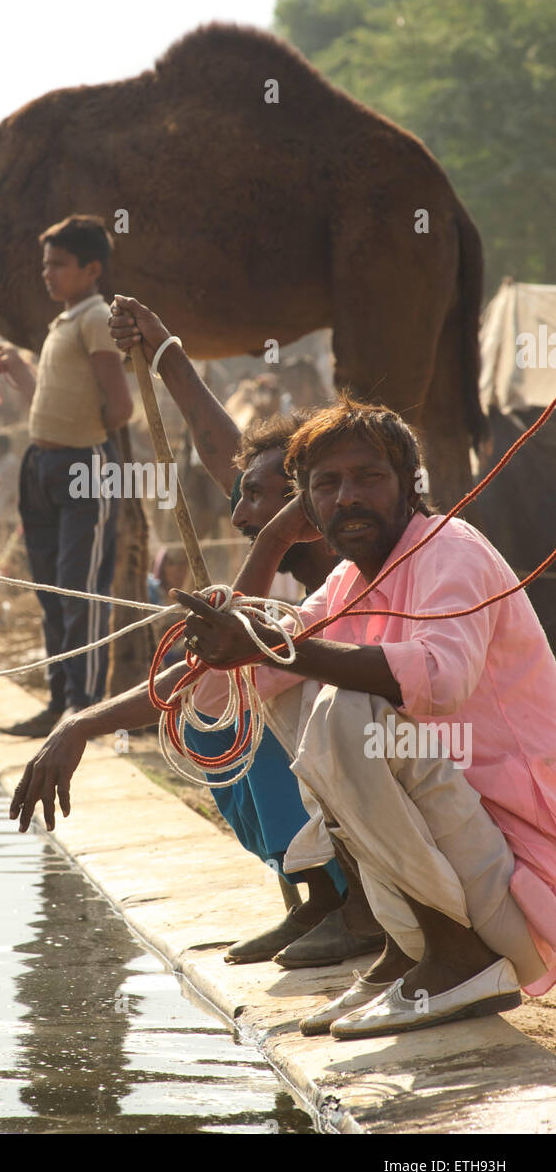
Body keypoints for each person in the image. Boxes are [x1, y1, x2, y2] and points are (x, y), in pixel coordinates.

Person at [8, 296, 382, 968]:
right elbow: (221, 445)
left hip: (389, 759)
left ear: (304, 499)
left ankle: (346, 904)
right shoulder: (289, 541)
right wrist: (163, 352)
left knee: (243, 709)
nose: (236, 509)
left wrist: (81, 725)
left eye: (255, 499)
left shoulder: (345, 568)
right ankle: (309, 898)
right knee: (217, 721)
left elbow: (222, 665)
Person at [174, 394, 556, 1037]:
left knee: (343, 701)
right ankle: (404, 952)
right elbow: (225, 688)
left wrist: (274, 643)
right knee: (296, 681)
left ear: (410, 489)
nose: (348, 497)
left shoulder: (450, 550)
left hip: (521, 885)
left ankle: (455, 956)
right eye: (328, 485)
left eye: (369, 479)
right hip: (469, 872)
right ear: (308, 507)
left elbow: (440, 677)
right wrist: (81, 725)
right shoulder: (351, 581)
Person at [0, 216, 133, 738]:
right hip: (42, 465)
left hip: (84, 467)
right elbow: (45, 403)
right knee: (51, 590)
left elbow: (119, 406)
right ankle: (58, 702)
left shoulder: (96, 317)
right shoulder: (63, 323)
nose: (47, 273)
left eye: (58, 264)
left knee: (81, 588)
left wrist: (91, 431)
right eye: (45, 263)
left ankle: (83, 707)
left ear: (91, 269)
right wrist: (16, 369)